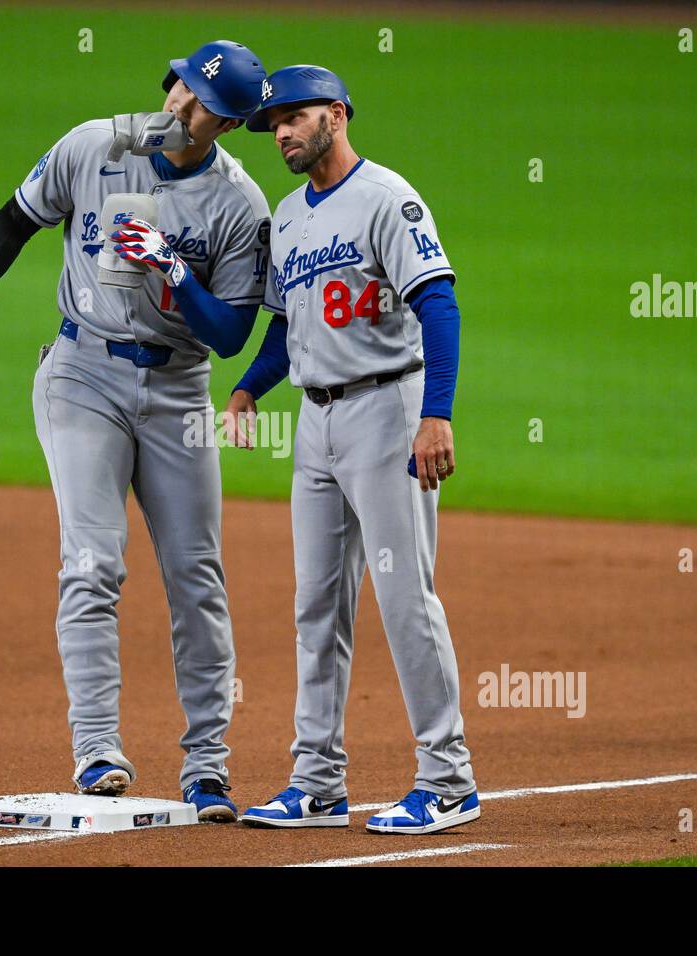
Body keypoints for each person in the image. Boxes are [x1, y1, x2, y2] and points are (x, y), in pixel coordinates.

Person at [0, 41, 273, 823]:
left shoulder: (240, 206)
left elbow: (229, 338)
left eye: (206, 110)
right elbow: (16, 218)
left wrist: (174, 272)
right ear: (171, 82)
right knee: (92, 562)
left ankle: (209, 768)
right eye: (182, 91)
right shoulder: (92, 145)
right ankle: (97, 749)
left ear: (231, 124)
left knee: (197, 578)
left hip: (180, 390)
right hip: (81, 372)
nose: (183, 113)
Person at [229, 65, 480, 834]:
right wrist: (248, 388)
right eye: (272, 125)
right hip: (316, 422)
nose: (281, 134)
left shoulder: (386, 199)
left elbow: (439, 301)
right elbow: (289, 326)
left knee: (405, 596)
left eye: (294, 118)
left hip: (387, 409)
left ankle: (447, 779)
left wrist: (435, 415)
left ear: (336, 114)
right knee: (316, 602)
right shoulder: (289, 214)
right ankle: (317, 782)